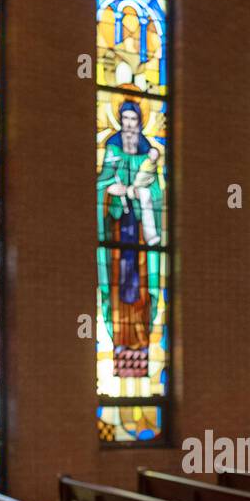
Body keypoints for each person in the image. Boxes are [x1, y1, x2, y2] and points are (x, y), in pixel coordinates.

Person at [97, 100, 163, 374]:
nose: (128, 125)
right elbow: (101, 183)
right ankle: (119, 343)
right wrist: (114, 191)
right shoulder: (112, 149)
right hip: (116, 235)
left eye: (133, 120)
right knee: (116, 289)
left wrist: (142, 194)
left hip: (140, 243)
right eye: (124, 119)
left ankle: (141, 342)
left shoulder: (148, 153)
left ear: (139, 122)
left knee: (141, 290)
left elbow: (157, 194)